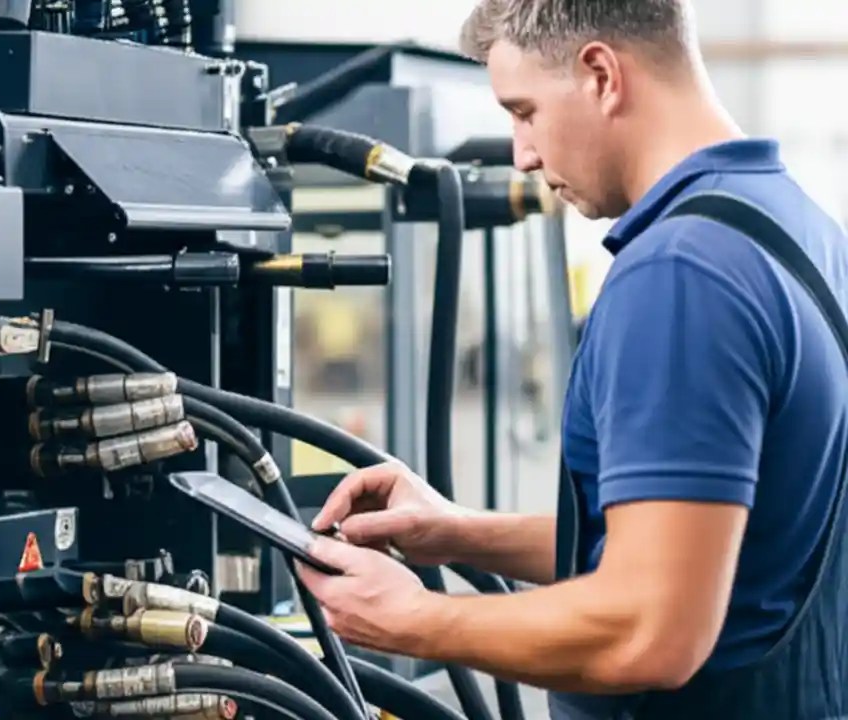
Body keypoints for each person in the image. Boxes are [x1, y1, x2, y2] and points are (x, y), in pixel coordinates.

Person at [294, 1, 848, 718]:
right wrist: (458, 533)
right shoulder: (795, 224)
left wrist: (416, 620)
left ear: (599, 75)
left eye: (524, 111)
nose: (522, 152)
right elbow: (698, 543)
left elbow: (650, 629)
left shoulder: (681, 272)